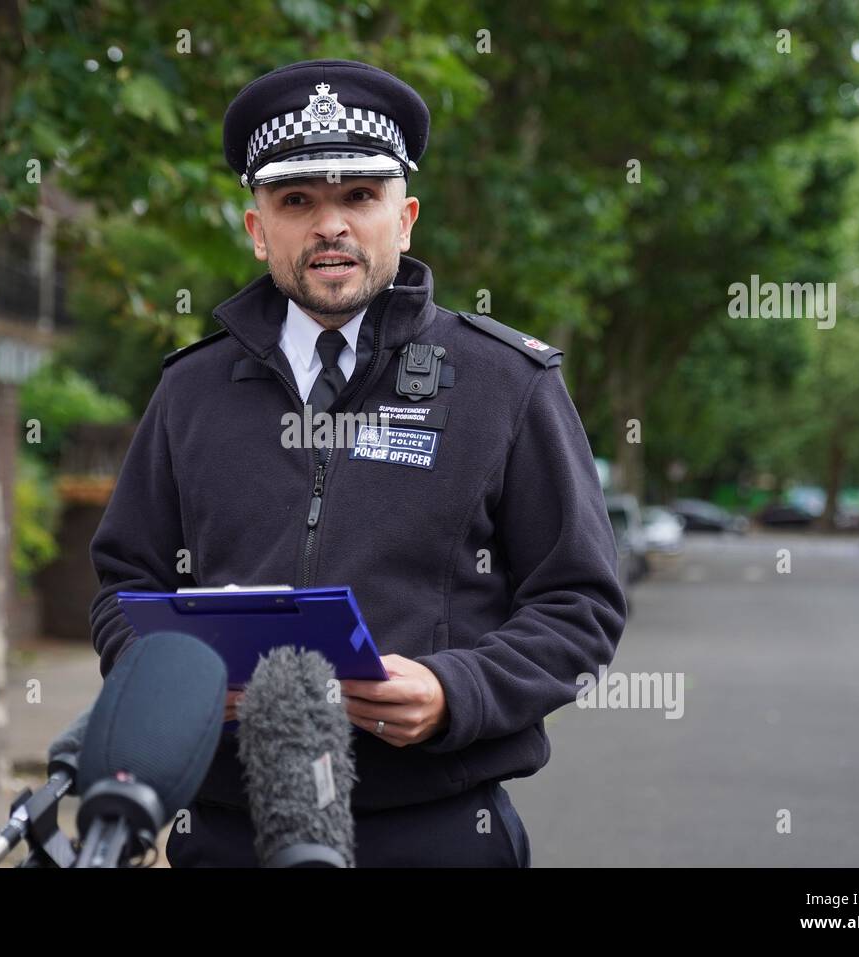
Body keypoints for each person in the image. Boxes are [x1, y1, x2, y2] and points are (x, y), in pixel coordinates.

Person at [89, 58, 627, 867]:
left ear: (404, 218)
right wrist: (177, 685)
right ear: (257, 228)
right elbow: (124, 582)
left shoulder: (506, 384)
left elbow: (579, 602)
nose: (330, 225)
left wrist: (457, 691)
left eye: (358, 197)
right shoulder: (188, 390)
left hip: (437, 830)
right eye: (297, 201)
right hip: (228, 831)